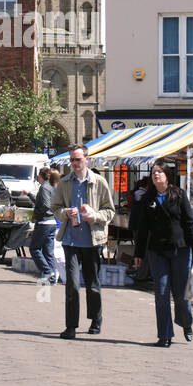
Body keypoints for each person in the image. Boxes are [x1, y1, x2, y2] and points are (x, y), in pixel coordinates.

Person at [132, 158, 193, 347]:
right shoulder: (147, 199)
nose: (156, 175)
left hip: (179, 249)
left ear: (166, 176)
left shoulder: (178, 195)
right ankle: (165, 335)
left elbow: (189, 223)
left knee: (180, 293)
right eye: (153, 173)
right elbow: (143, 229)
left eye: (159, 172)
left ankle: (186, 323)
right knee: (161, 293)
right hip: (157, 251)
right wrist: (138, 254)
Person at [49, 143, 116, 339]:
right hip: (70, 240)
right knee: (72, 285)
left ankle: (96, 320)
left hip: (92, 241)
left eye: (77, 159)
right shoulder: (64, 183)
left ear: (87, 159)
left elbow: (110, 211)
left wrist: (95, 216)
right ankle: (71, 327)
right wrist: (65, 212)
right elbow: (55, 208)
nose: (74, 164)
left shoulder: (99, 182)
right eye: (71, 160)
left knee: (93, 284)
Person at [29, 167, 60, 284]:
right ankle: (52, 278)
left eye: (38, 176)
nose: (37, 178)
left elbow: (46, 205)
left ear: (41, 176)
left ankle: (47, 271)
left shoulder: (43, 188)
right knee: (48, 251)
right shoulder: (52, 187)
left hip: (44, 222)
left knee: (34, 248)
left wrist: (38, 214)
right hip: (52, 222)